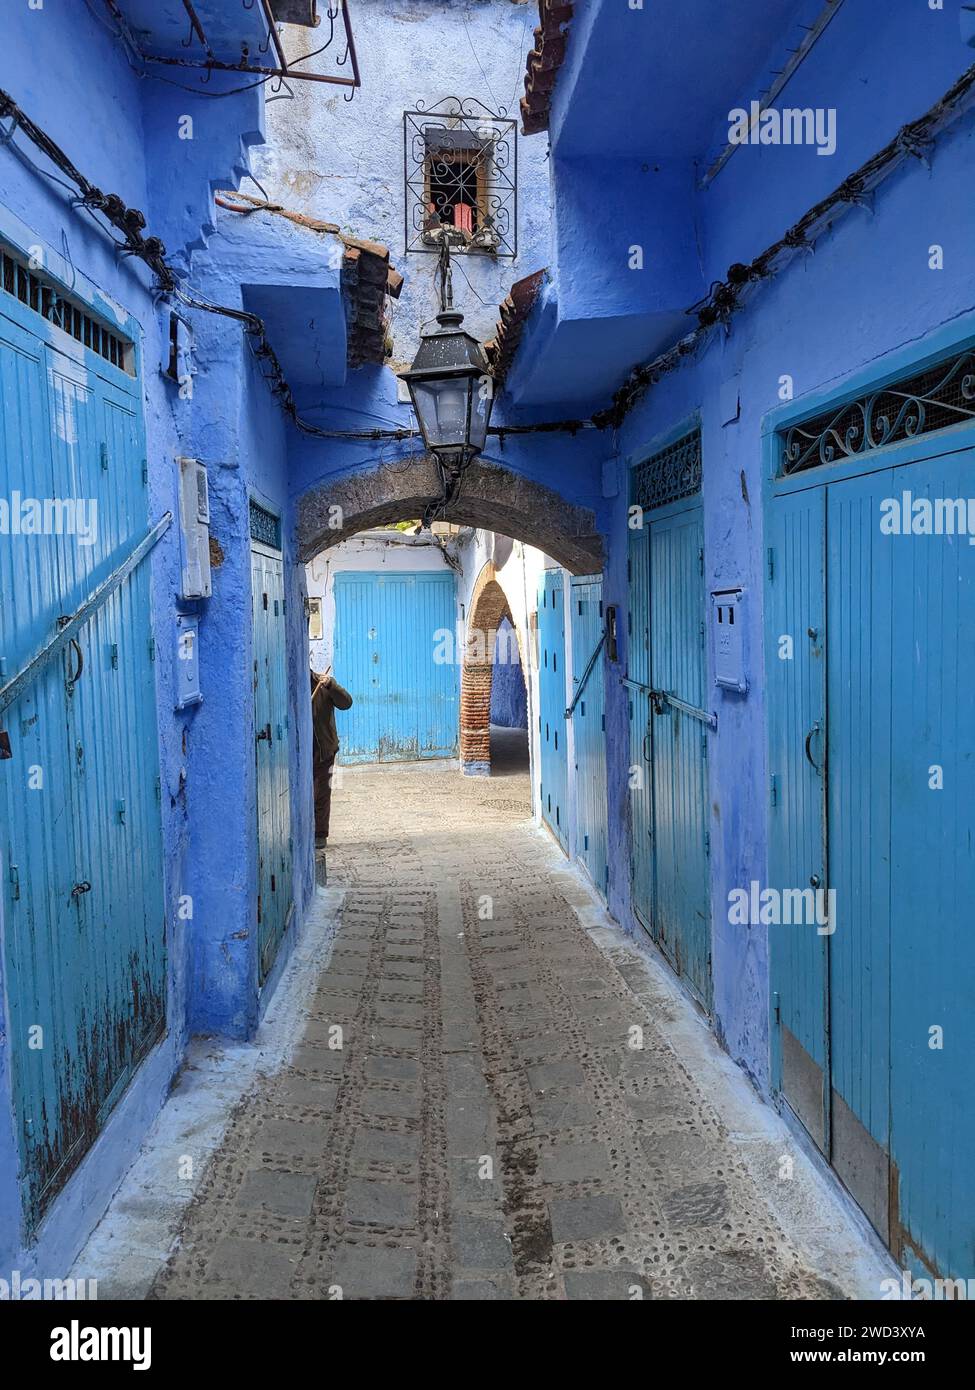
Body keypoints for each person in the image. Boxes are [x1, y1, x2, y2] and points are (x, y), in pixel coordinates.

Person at [310, 666, 353, 848]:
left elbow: (346, 703)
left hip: (324, 750)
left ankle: (320, 834)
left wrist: (331, 685)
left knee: (322, 793)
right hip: (304, 751)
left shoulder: (323, 685)